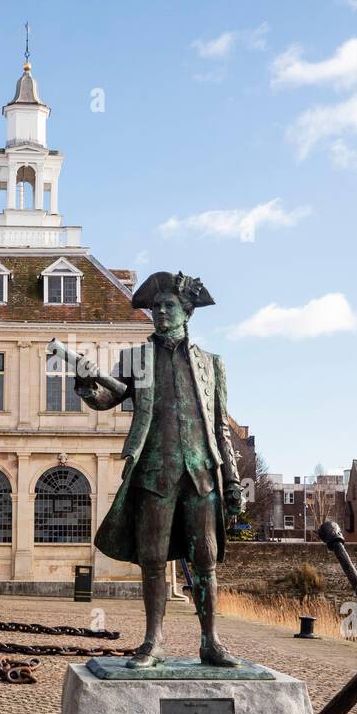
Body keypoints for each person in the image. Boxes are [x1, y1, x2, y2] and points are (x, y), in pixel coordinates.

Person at [74, 270, 243, 667]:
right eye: (156, 307)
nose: (161, 312)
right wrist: (85, 386)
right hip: (153, 471)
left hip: (201, 473)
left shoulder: (210, 365)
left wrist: (233, 481)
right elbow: (108, 397)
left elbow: (221, 427)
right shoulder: (136, 359)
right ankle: (153, 641)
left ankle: (211, 642)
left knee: (206, 558)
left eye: (169, 306)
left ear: (186, 311)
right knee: (151, 558)